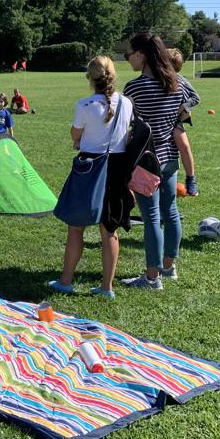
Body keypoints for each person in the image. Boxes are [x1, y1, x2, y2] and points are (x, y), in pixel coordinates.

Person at [49, 57, 134, 299]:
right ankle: (107, 287)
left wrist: (81, 140)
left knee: (76, 228)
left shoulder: (85, 105)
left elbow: (75, 134)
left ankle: (66, 281)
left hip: (89, 169)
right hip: (117, 170)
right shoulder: (127, 103)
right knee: (109, 231)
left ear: (90, 79)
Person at [119, 32, 195, 290]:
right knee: (170, 212)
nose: (129, 59)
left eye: (130, 53)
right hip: (170, 158)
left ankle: (152, 277)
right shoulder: (177, 84)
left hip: (146, 161)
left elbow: (125, 124)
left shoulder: (135, 87)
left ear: (141, 55)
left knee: (151, 217)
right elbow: (185, 111)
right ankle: (169, 267)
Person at [167, 48, 201, 196]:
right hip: (157, 121)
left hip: (175, 121)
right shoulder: (153, 78)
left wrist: (184, 107)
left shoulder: (180, 80)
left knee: (185, 147)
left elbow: (195, 98)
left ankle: (191, 179)